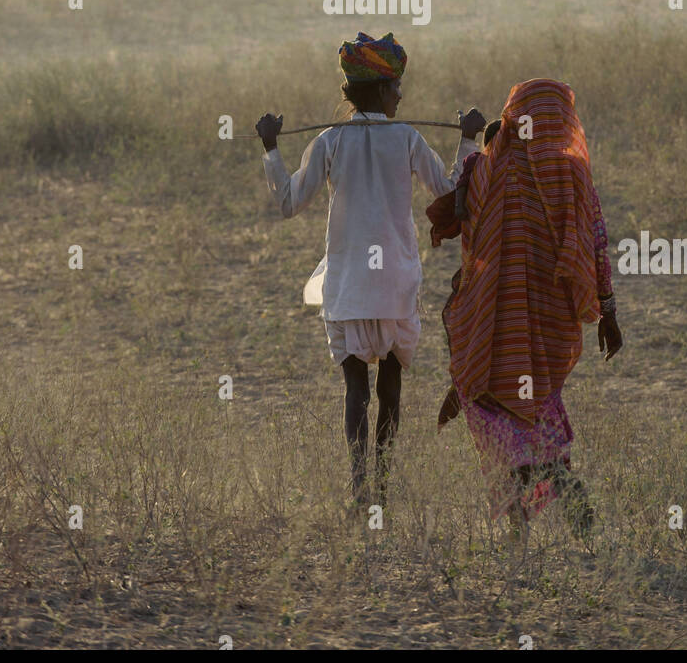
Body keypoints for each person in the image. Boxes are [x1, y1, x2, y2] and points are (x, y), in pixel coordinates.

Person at [256, 30, 485, 506]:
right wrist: (468, 140)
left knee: (356, 389)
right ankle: (380, 487)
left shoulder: (330, 141)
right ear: (380, 90)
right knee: (392, 389)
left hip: (348, 286)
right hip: (396, 283)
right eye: (396, 86)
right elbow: (448, 192)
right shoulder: (407, 139)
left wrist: (270, 149)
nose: (401, 95)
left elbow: (288, 202)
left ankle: (360, 489)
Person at [426, 78, 622, 538]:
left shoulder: (485, 167)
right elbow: (596, 241)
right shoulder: (571, 172)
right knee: (539, 400)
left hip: (493, 322)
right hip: (549, 324)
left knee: (491, 400)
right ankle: (552, 476)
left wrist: (475, 143)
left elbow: (451, 215)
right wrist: (608, 313)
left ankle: (518, 505)